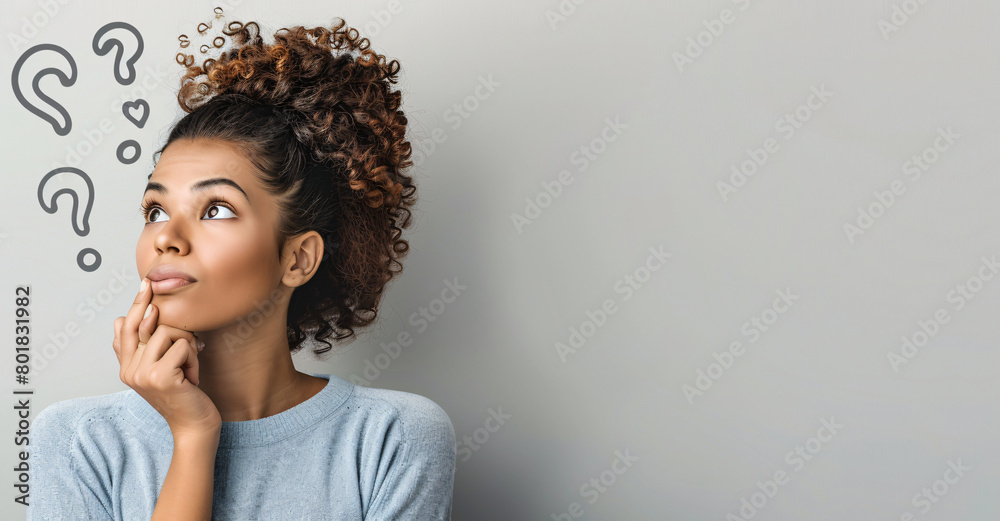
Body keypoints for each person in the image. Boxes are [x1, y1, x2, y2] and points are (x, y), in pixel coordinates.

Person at [26, 12, 455, 521]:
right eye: (155, 211)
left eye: (216, 210)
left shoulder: (391, 438)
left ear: (297, 258)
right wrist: (192, 436)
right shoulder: (78, 441)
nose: (165, 237)